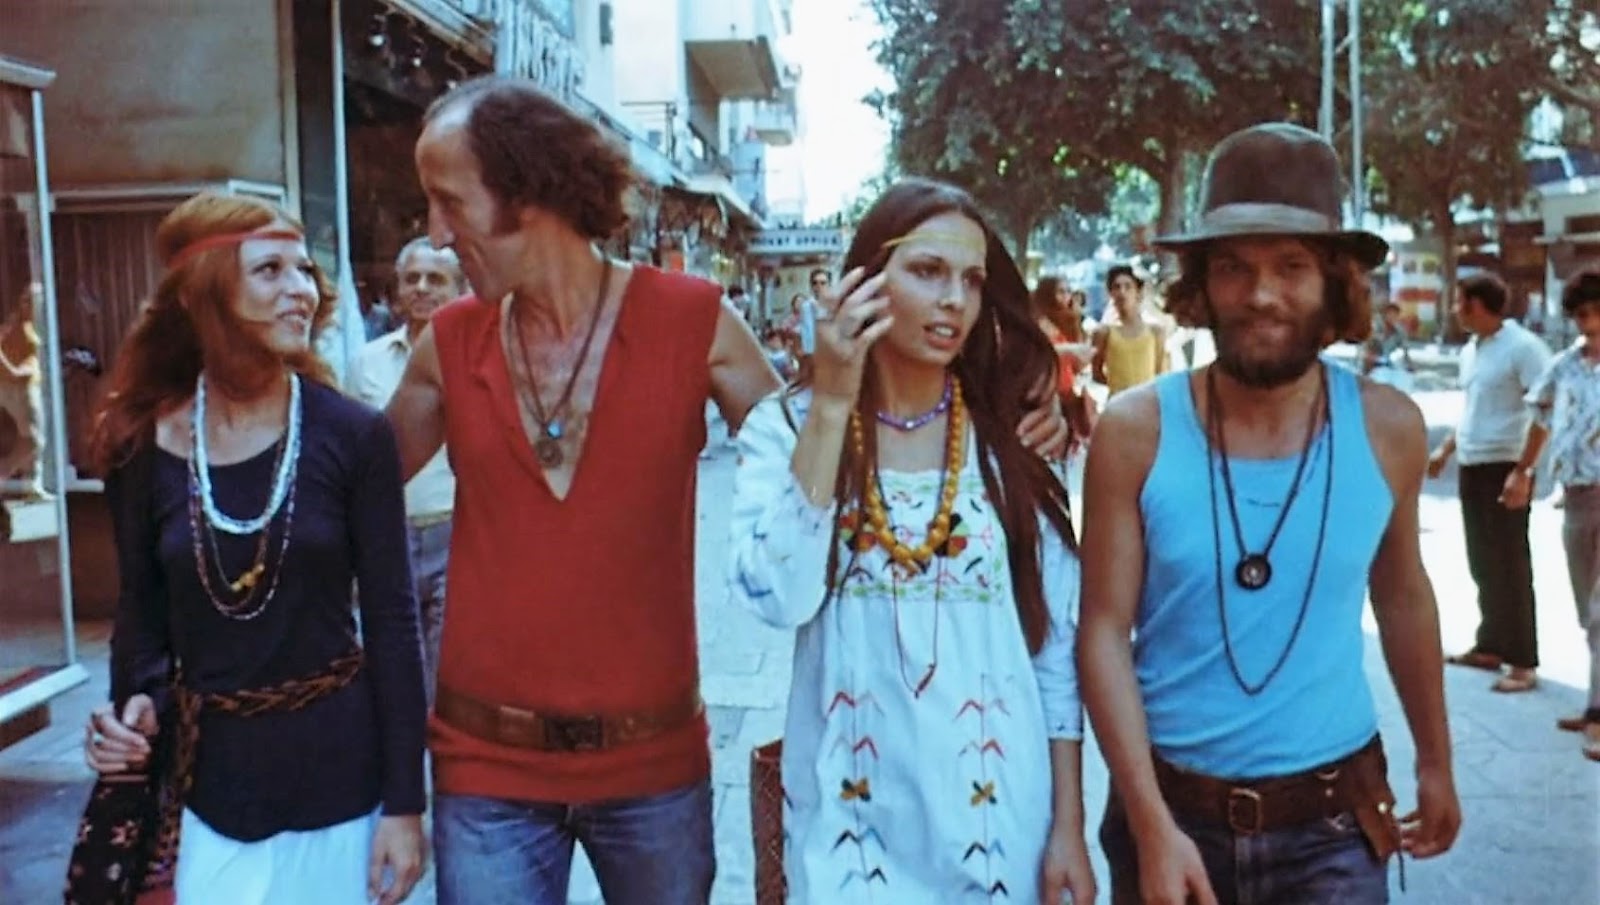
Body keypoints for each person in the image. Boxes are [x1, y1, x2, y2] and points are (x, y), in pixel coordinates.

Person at [383, 75, 1069, 905]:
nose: (433, 232)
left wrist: (1017, 406)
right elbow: (343, 492)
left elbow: (818, 458)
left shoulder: (694, 319)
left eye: (447, 201)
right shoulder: (447, 344)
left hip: (652, 767)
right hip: (485, 766)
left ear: (525, 194)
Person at [1079, 122, 1461, 905]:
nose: (1260, 294)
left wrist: (1435, 759)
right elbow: (1102, 631)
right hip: (1172, 814)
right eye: (1233, 268)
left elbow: (1402, 595)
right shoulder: (1133, 431)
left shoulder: (1389, 428)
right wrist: (1150, 825)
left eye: (1291, 267)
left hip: (1334, 825)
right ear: (1200, 284)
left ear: (1334, 281)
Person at [729, 178, 1093, 904]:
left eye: (971, 279)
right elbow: (777, 594)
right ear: (864, 280)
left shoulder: (1011, 441)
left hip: (997, 824)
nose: (954, 299)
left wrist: (1069, 827)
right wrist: (833, 402)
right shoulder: (785, 429)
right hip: (849, 820)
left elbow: (1055, 654)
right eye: (927, 271)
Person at [81, 192, 427, 904]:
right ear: (204, 293)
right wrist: (133, 710)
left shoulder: (353, 437)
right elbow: (141, 616)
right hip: (210, 789)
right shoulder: (142, 448)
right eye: (269, 270)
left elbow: (393, 625)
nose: (299, 290)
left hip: (340, 782)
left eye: (304, 271)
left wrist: (405, 805)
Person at [350, 237, 465, 705]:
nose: (421, 288)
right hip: (386, 538)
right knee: (392, 675)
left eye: (436, 279)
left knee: (446, 680)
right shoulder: (366, 363)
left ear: (460, 288)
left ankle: (443, 776)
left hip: (453, 534)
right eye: (411, 278)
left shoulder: (481, 361)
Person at [1426, 273, 1551, 692]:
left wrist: (1524, 471)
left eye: (1459, 302)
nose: (1454, 309)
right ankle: (1491, 645)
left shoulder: (1524, 348)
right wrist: (1446, 450)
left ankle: (1523, 660)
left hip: (1506, 464)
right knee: (1482, 560)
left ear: (1478, 305)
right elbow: (1472, 408)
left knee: (1511, 563)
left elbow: (1545, 411)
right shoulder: (1472, 351)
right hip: (1474, 463)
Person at [1503, 267, 1600, 762]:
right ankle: (1595, 703)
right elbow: (1540, 419)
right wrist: (1523, 471)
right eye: (1582, 314)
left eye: (1597, 311)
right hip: (1579, 494)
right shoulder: (1565, 366)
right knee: (1589, 610)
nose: (1590, 323)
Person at [1034, 276, 1095, 453]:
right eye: (1061, 292)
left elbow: (1079, 363)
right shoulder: (1039, 320)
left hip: (1067, 392)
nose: (1066, 297)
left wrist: (1076, 319)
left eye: (1069, 291)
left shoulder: (1067, 320)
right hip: (1047, 393)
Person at [1092, 263, 1168, 396]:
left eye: (1128, 286)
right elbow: (1096, 373)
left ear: (1138, 292)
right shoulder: (1103, 333)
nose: (1122, 292)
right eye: (1117, 287)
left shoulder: (1156, 332)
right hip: (1118, 408)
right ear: (1110, 294)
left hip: (1148, 405)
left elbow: (1161, 373)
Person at [0, 282, 44, 496]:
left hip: (28, 384)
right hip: (19, 388)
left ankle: (30, 485)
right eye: (29, 301)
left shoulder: (33, 324)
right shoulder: (17, 325)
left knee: (30, 439)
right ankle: (5, 473)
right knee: (35, 439)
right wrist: (14, 371)